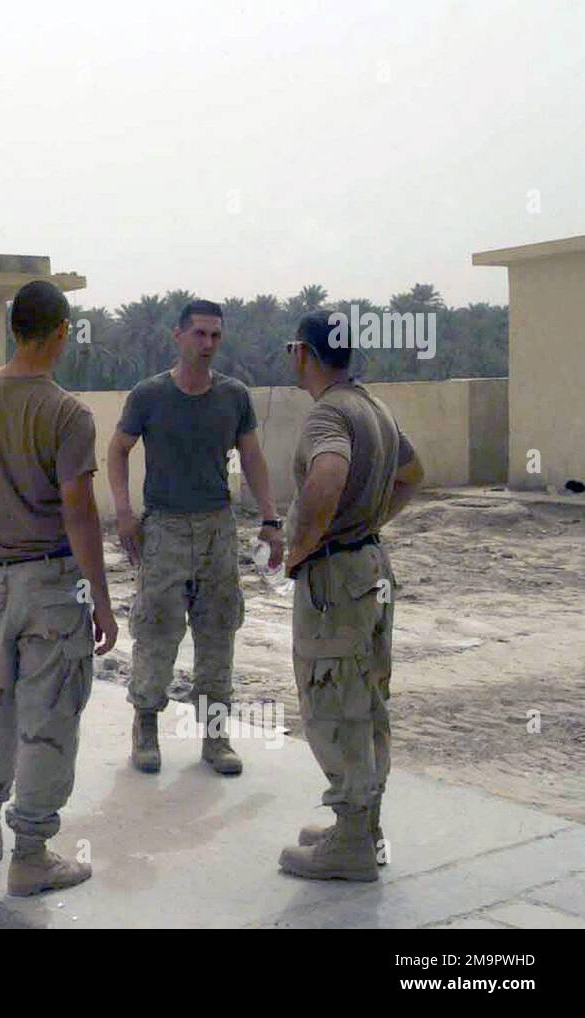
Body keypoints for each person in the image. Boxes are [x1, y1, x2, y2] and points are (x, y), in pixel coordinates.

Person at [0, 279, 118, 897]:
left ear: (12, 329)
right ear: (61, 332)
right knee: (49, 715)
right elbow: (80, 514)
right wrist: (100, 598)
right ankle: (32, 854)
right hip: (52, 584)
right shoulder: (68, 414)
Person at [277, 311, 424, 881]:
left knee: (333, 702)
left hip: (337, 577)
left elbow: (328, 474)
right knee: (366, 697)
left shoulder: (329, 414)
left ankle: (352, 843)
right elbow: (413, 472)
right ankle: (361, 825)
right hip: (371, 566)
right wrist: (367, 524)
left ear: (303, 354)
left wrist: (302, 546)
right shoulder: (374, 407)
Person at [107, 300, 282, 776]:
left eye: (215, 336)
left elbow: (252, 457)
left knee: (218, 628)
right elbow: (118, 450)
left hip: (217, 528)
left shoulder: (234, 396)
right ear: (178, 336)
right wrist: (124, 512)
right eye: (199, 334)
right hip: (162, 527)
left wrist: (271, 518)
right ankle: (145, 726)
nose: (208, 345)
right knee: (157, 628)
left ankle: (216, 737)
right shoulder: (149, 396)